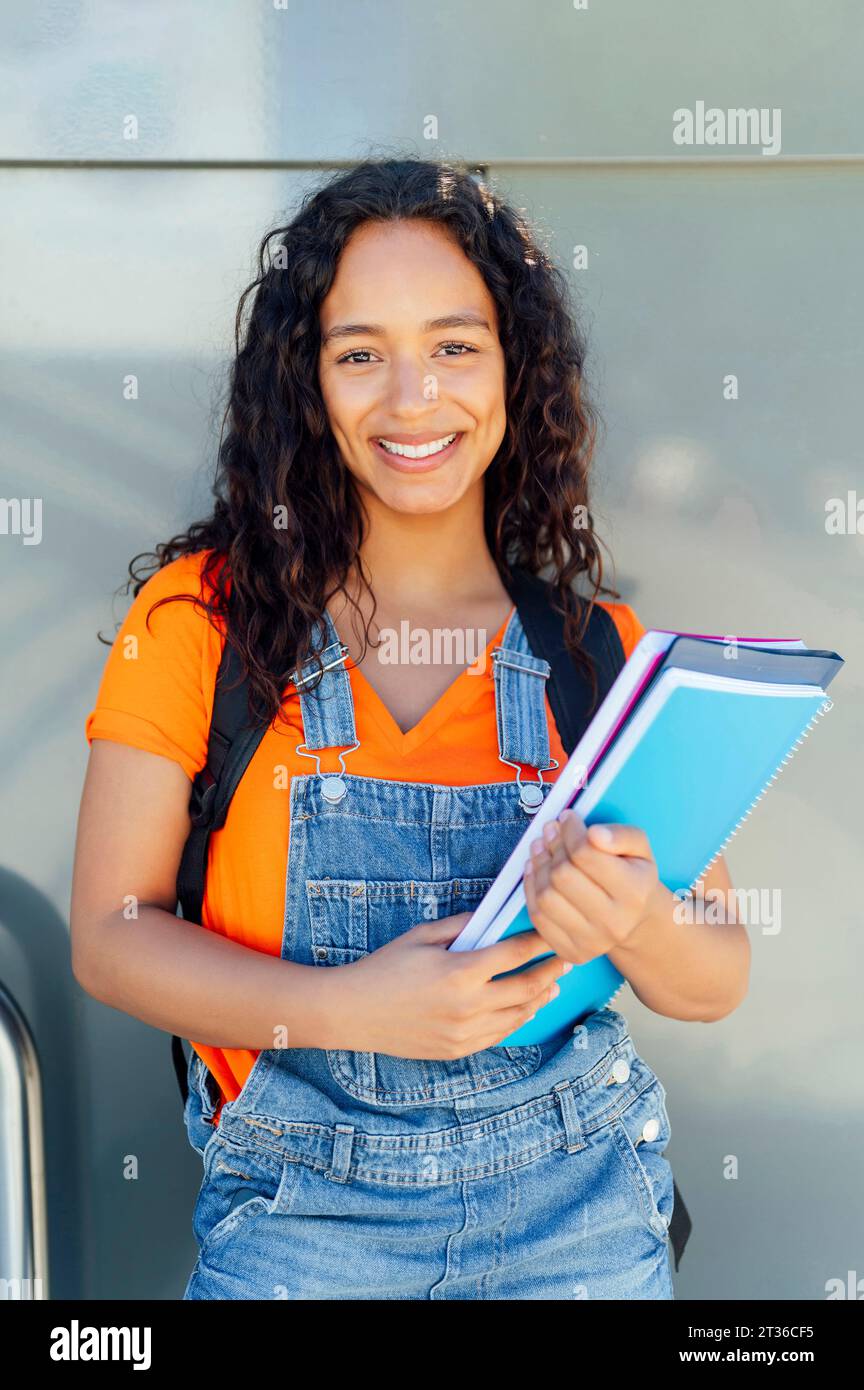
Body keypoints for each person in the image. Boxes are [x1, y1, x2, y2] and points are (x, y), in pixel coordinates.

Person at [70, 156, 750, 1300]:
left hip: (578, 1222)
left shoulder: (600, 654)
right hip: (300, 1226)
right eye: (358, 355)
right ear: (307, 384)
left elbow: (713, 972)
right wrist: (342, 1008)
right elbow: (108, 934)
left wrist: (637, 919)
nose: (412, 397)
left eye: (452, 345)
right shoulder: (199, 623)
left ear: (510, 369)